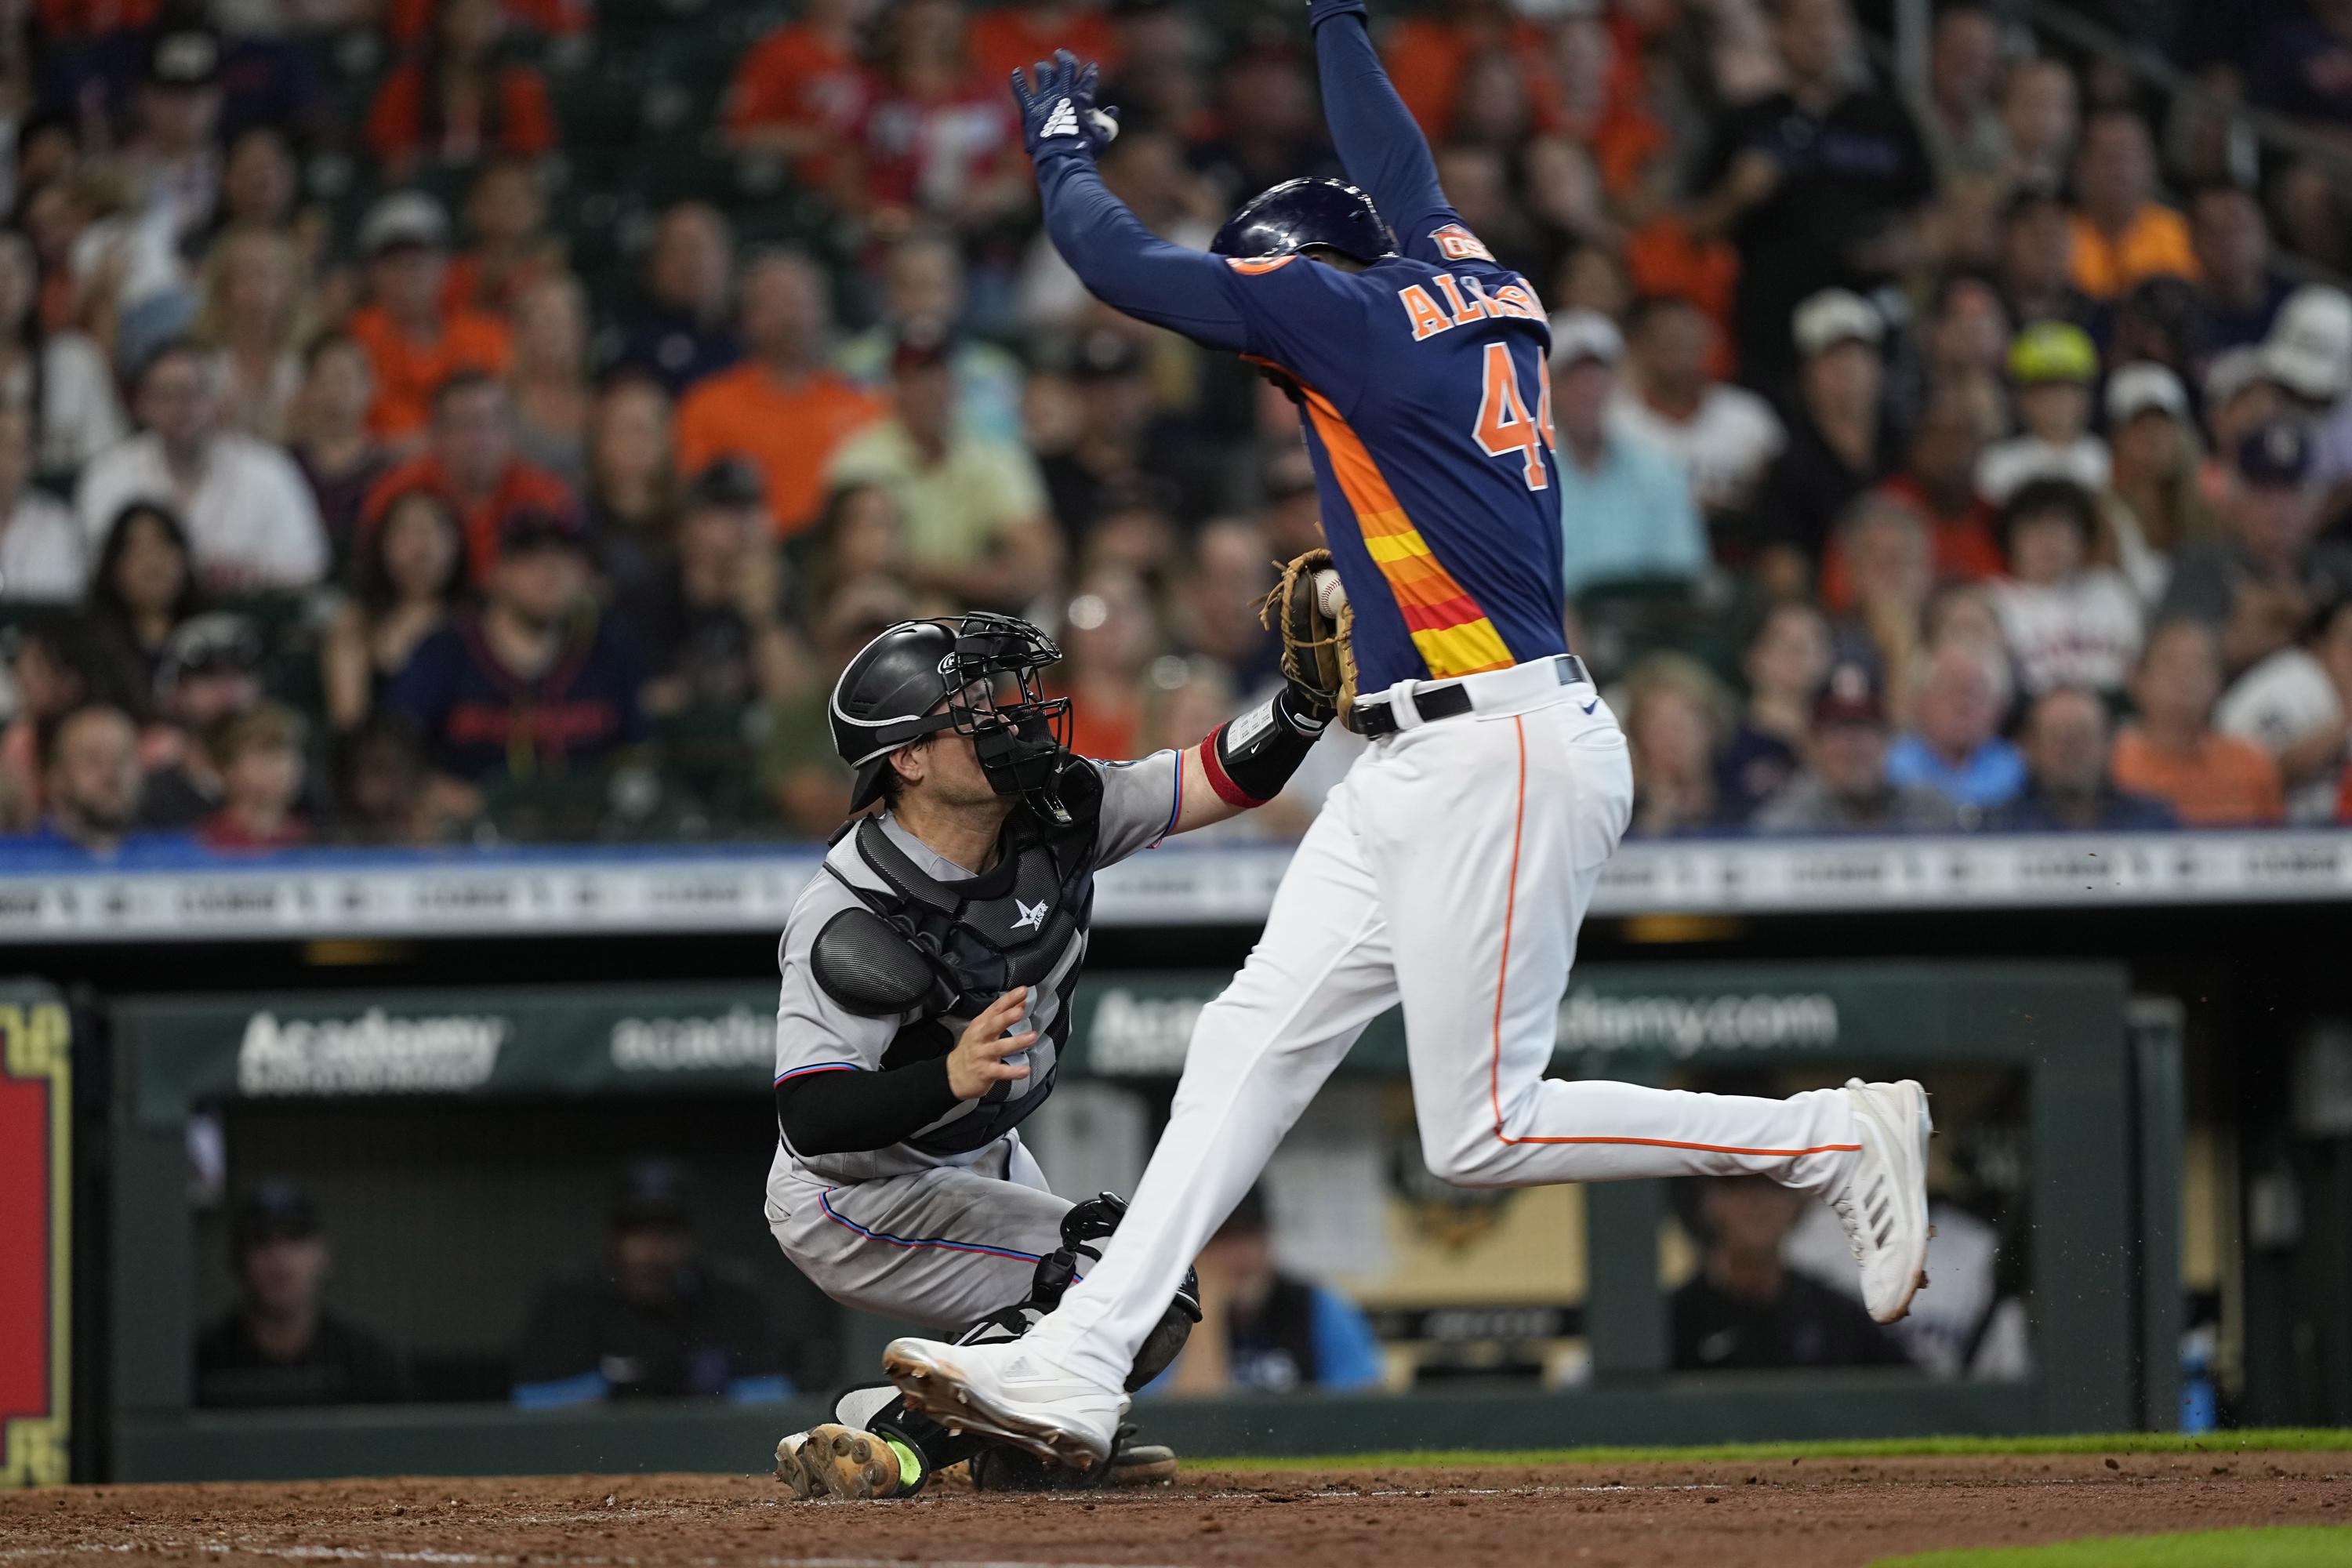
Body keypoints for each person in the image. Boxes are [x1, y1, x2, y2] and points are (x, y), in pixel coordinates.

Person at [877, 27, 1935, 1472]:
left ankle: (1825, 1136)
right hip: (1426, 753)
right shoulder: (1469, 265)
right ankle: (1077, 1359)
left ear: (1303, 273)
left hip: (1498, 748)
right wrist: (1334, 25)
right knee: (1249, 1037)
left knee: (1483, 1128)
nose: (1271, 352)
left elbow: (1115, 264)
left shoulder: (1343, 317)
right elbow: (1399, 160)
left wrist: (1060, 145)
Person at [765, 608, 1334, 1498]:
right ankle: (901, 1433)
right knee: (1120, 1273)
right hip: (853, 1189)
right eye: (974, 710)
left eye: (1001, 695)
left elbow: (1209, 779)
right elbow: (809, 1118)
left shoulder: (1059, 808)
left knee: (1139, 1293)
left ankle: (1012, 1446)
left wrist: (1303, 705)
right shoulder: (848, 911)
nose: (1010, 717)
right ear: (908, 759)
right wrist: (944, 1075)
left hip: (976, 1155)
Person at [1686, 0, 1933, 397]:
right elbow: (1693, 229)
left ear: (1849, 33)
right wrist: (1735, 194)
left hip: (1867, 322)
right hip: (1772, 329)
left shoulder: (1888, 117)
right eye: (1804, 22)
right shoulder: (1746, 120)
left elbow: (1931, 217)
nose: (1818, 34)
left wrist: (1907, 248)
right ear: (1779, 33)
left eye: (1830, 21)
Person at [383, 508, 642, 823]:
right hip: (466, 846)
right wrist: (430, 791)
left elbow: (637, 753)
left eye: (564, 559)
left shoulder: (609, 646)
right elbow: (392, 747)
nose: (550, 573)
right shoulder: (446, 650)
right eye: (530, 559)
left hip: (588, 841)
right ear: (498, 572)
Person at [511, 1162, 792, 1407]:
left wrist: (710, 1391)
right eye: (637, 1234)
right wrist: (614, 1383)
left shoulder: (730, 1295)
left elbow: (774, 1398)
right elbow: (529, 1400)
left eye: (667, 1233)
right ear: (613, 1239)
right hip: (590, 1459)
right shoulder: (571, 1295)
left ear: (690, 1240)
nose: (651, 1253)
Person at [826, 328, 1058, 612]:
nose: (930, 388)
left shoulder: (994, 454)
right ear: (896, 386)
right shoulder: (861, 460)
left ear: (955, 382)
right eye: (916, 377)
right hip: (887, 606)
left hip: (979, 608)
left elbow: (1037, 563)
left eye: (939, 374)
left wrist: (923, 573)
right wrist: (983, 577)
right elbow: (857, 565)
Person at [74, 341, 327, 593]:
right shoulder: (107, 475)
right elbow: (93, 574)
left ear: (216, 400)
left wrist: (246, 573)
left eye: (192, 393)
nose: (181, 408)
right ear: (142, 405)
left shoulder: (269, 471)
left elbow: (306, 568)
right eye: (165, 396)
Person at [673, 252, 884, 535]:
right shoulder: (707, 405)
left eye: (802, 300)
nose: (792, 313)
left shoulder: (865, 407)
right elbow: (697, 504)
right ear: (746, 316)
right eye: (776, 300)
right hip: (746, 556)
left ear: (825, 311)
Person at [615, 459, 802, 718]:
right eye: (724, 510)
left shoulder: (783, 587)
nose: (743, 524)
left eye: (750, 509)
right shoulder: (650, 596)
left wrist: (764, 619)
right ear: (686, 527)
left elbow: (797, 705)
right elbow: (644, 702)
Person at [194, 1181, 408, 1408]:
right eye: (261, 1240)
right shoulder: (201, 1362)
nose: (279, 1259)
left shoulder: (369, 1362)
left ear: (324, 1255)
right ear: (237, 1260)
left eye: (295, 1238)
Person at [1671, 1175, 1910, 1371]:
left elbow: (1913, 1394)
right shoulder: (1675, 1321)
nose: (1757, 1201)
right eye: (1737, 1184)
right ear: (1710, 1200)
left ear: (1797, 1201)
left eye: (1774, 1185)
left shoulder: (1837, 1317)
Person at [1156, 1187, 1381, 1394]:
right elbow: (1191, 1422)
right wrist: (1205, 1310)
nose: (1240, 1256)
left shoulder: (1316, 1306)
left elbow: (1365, 1410)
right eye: (1222, 1238)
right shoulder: (1167, 1320)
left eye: (1250, 1235)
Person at [1548, 310, 1708, 598]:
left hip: (1647, 629)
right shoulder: (1526, 476)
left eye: (1598, 378)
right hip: (1553, 631)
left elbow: (1683, 575)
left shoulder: (1660, 469)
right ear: (1548, 387)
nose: (1588, 391)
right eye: (1573, 379)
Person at [361, 372, 573, 583]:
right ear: (437, 435)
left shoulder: (547, 497)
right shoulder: (395, 494)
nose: (480, 440)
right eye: (464, 425)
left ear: (510, 431)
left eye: (492, 423)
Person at [1750, 289, 1897, 587]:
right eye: (1832, 356)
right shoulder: (1789, 468)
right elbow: (1783, 569)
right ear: (1806, 373)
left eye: (1859, 354)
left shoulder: (1907, 448)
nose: (1849, 367)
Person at [345, 193, 514, 444]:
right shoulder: (353, 339)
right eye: (394, 263)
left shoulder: (488, 336)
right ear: (372, 273)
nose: (408, 273)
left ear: (445, 266)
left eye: (419, 261)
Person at [1608, 292, 1784, 528]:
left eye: (1685, 339)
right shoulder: (1615, 423)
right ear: (1638, 347)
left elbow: (1785, 500)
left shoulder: (1748, 415)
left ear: (1706, 343)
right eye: (1664, 340)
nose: (1677, 351)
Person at [2113, 619, 2288, 826]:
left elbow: (2277, 844)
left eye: (2200, 663)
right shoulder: (2114, 765)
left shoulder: (2251, 763)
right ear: (2137, 679)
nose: (2187, 676)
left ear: (2218, 681)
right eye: (2171, 663)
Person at [321, 488, 466, 734]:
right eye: (407, 531)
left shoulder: (484, 620)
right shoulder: (357, 622)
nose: (423, 545)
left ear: (457, 543)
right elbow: (348, 724)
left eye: (435, 530)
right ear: (382, 544)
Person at [1755, 662, 1962, 834]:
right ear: (1811, 744)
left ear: (1888, 738)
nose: (1852, 744)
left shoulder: (1930, 812)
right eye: (1838, 729)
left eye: (1864, 727)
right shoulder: (1784, 825)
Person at [1987, 478, 2143, 700]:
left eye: (2061, 527)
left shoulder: (2111, 591)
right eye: (2034, 527)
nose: (2048, 540)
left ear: (2083, 540)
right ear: (2010, 540)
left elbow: (2138, 669)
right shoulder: (1993, 600)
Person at [364, 0, 557, 179]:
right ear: (442, 20)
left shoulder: (517, 85)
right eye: (463, 17)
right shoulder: (409, 82)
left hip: (492, 186)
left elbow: (532, 151)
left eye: (481, 18)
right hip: (426, 185)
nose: (471, 28)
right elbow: (387, 149)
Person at [0, 229, 125, 474]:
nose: (4, 282)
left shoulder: (76, 359)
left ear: (34, 282)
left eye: (15, 269)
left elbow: (109, 461)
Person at [2217, 596, 2352, 822]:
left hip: (2321, 836)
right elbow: (2265, 777)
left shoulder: (2338, 690)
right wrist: (2345, 718)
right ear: (2319, 645)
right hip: (2250, 830)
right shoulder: (2289, 685)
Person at [1988, 687, 2177, 832]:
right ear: (2032, 746)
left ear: (2109, 743)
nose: (2070, 752)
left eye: (2083, 737)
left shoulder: (2152, 823)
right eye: (2057, 738)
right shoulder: (1999, 828)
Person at [2065, 109, 2198, 303]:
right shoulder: (2059, 235)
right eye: (2107, 157)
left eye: (2129, 156)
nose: (2119, 169)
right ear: (2080, 166)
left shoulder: (2183, 236)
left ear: (2152, 165)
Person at [1719, 599, 1831, 822]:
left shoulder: (1848, 736)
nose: (1801, 654)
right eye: (1784, 643)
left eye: (1814, 642)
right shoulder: (1723, 741)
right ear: (1753, 658)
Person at [287, 333, 393, 568]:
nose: (336, 393)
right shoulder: (282, 466)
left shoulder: (389, 471)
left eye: (346, 379)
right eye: (325, 380)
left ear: (371, 388)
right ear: (305, 390)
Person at [1885, 639, 2025, 814]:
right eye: (1952, 691)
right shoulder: (1889, 769)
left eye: (1975, 693)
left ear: (1997, 708)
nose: (1964, 705)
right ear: (1919, 702)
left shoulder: (2018, 773)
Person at [613, 202, 739, 396]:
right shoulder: (639, 348)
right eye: (676, 250)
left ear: (727, 256)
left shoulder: (754, 337)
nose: (690, 263)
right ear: (654, 267)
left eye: (699, 247)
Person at [1976, 321, 2106, 504]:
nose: (2059, 400)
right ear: (2020, 398)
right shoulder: (1998, 465)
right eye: (2045, 390)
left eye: (2070, 388)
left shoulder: (2107, 459)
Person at [86, 500, 204, 677]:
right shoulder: (91, 652)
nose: (152, 561)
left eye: (163, 543)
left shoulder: (215, 639)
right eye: (136, 548)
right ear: (113, 566)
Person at [1622, 652, 1732, 838]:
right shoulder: (1621, 808)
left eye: (1683, 724)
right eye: (1658, 726)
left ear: (1712, 726)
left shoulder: (1742, 789)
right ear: (1637, 734)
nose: (1672, 738)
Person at [198, 701, 310, 851]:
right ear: (229, 768)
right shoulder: (205, 841)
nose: (285, 766)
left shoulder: (314, 840)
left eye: (291, 753)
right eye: (267, 754)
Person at [0, 403, 82, 601]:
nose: (6, 459)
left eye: (17, 447)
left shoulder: (59, 525)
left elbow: (67, 603)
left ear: (32, 458)